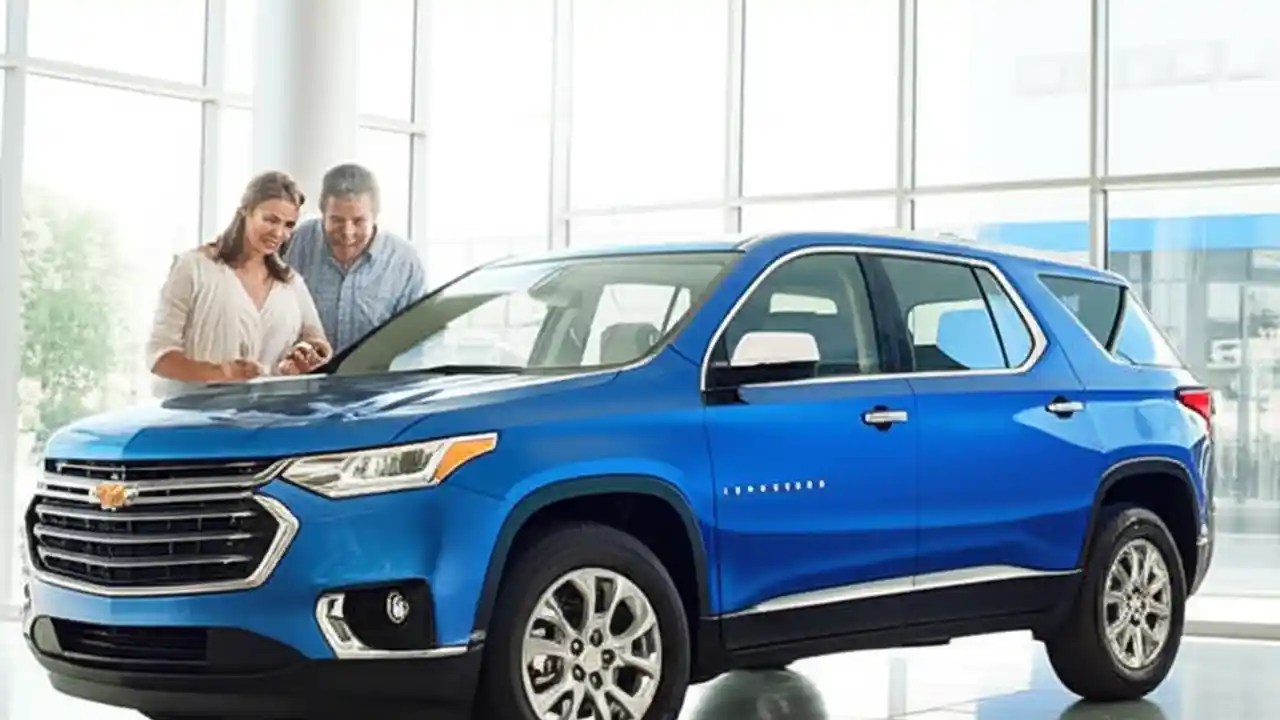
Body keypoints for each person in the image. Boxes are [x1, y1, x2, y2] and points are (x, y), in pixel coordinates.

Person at [147, 171, 332, 397]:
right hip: (195, 419)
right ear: (245, 210)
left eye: (288, 225)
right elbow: (159, 357)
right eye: (271, 220)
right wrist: (222, 372)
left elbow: (318, 343)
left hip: (267, 419)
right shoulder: (193, 268)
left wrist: (304, 354)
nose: (279, 233)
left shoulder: (290, 283)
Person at [282, 163, 427, 354]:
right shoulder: (297, 243)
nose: (347, 232)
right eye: (337, 220)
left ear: (375, 217)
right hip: (306, 379)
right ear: (323, 214)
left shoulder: (404, 262)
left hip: (377, 381)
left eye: (358, 221)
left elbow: (417, 341)